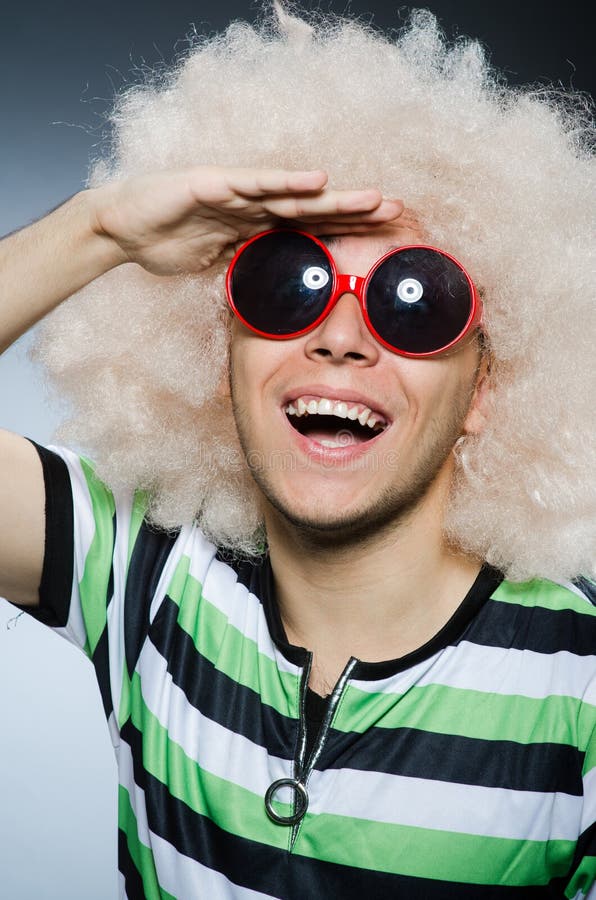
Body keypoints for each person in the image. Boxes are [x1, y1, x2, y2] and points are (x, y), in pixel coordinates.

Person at [1, 4, 595, 897]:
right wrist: (102, 232)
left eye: (416, 299)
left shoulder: (579, 687)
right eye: (288, 283)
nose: (340, 339)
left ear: (484, 390)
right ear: (219, 355)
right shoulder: (142, 565)